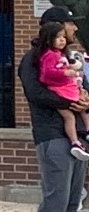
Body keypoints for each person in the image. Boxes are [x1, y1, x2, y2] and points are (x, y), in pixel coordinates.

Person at [20, 6, 89, 212]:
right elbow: (36, 94)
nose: (74, 30)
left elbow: (80, 86)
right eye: (69, 25)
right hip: (52, 136)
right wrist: (69, 103)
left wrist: (84, 100)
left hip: (77, 139)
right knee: (56, 198)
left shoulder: (67, 59)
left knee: (73, 199)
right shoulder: (33, 60)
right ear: (54, 28)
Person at [34, 20, 89, 159]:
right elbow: (47, 74)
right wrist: (65, 73)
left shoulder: (61, 54)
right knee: (69, 116)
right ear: (48, 39)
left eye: (63, 37)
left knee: (83, 107)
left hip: (67, 86)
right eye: (58, 37)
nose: (62, 40)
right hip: (59, 89)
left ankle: (86, 131)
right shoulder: (48, 55)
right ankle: (75, 141)